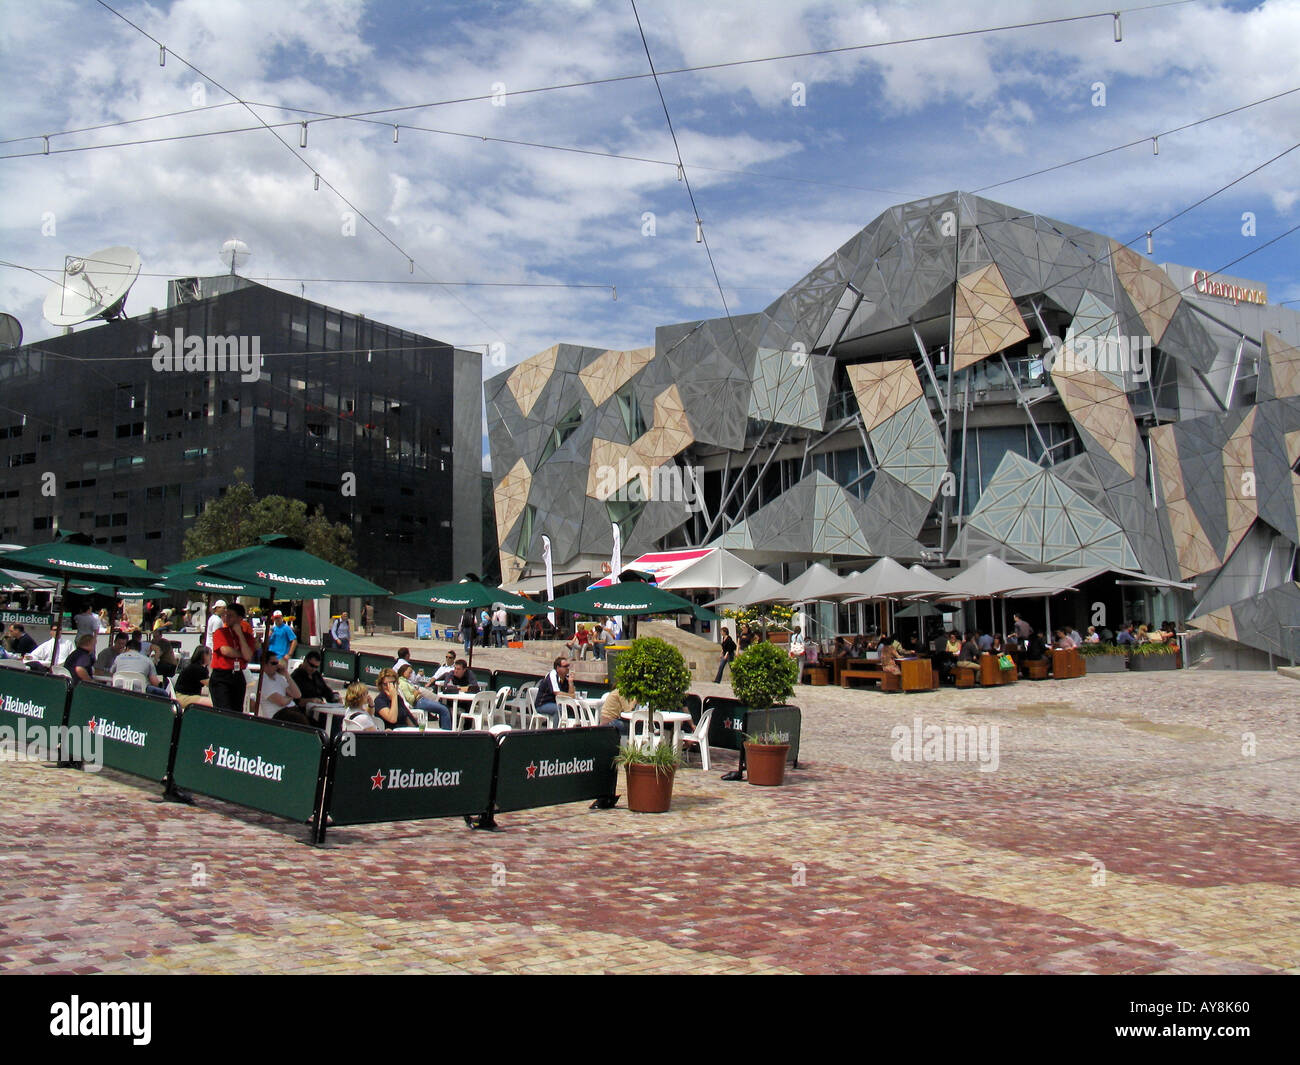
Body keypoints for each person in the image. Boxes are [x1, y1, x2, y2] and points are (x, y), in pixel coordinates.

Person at [210, 603, 256, 713]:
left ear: (239, 618)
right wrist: (242, 654)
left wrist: (240, 634)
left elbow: (249, 656)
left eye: (230, 615)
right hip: (221, 675)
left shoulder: (247, 637)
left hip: (237, 675)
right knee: (223, 710)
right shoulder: (220, 632)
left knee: (236, 711)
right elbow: (225, 650)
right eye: (226, 615)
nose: (227, 618)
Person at [256, 651, 309, 724]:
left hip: (291, 710)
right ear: (264, 664)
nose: (277, 666)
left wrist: (286, 674)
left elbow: (297, 695)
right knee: (302, 722)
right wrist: (290, 697)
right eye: (273, 663)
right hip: (277, 714)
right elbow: (282, 702)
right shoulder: (263, 681)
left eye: (277, 663)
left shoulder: (279, 677)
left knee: (314, 721)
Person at [396, 661, 452, 730]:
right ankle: (446, 733)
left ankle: (444, 729)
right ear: (403, 672)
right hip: (418, 702)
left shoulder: (405, 681)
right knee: (444, 709)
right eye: (409, 672)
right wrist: (417, 692)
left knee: (444, 707)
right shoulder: (403, 683)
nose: (410, 675)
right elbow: (410, 699)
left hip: (421, 700)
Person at [533, 656, 574, 726]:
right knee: (559, 709)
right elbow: (557, 693)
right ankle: (556, 731)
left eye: (568, 666)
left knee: (574, 709)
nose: (567, 668)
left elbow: (572, 694)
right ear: (558, 668)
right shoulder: (552, 674)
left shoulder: (566, 677)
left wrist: (570, 682)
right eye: (565, 666)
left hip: (556, 703)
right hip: (542, 705)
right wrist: (571, 696)